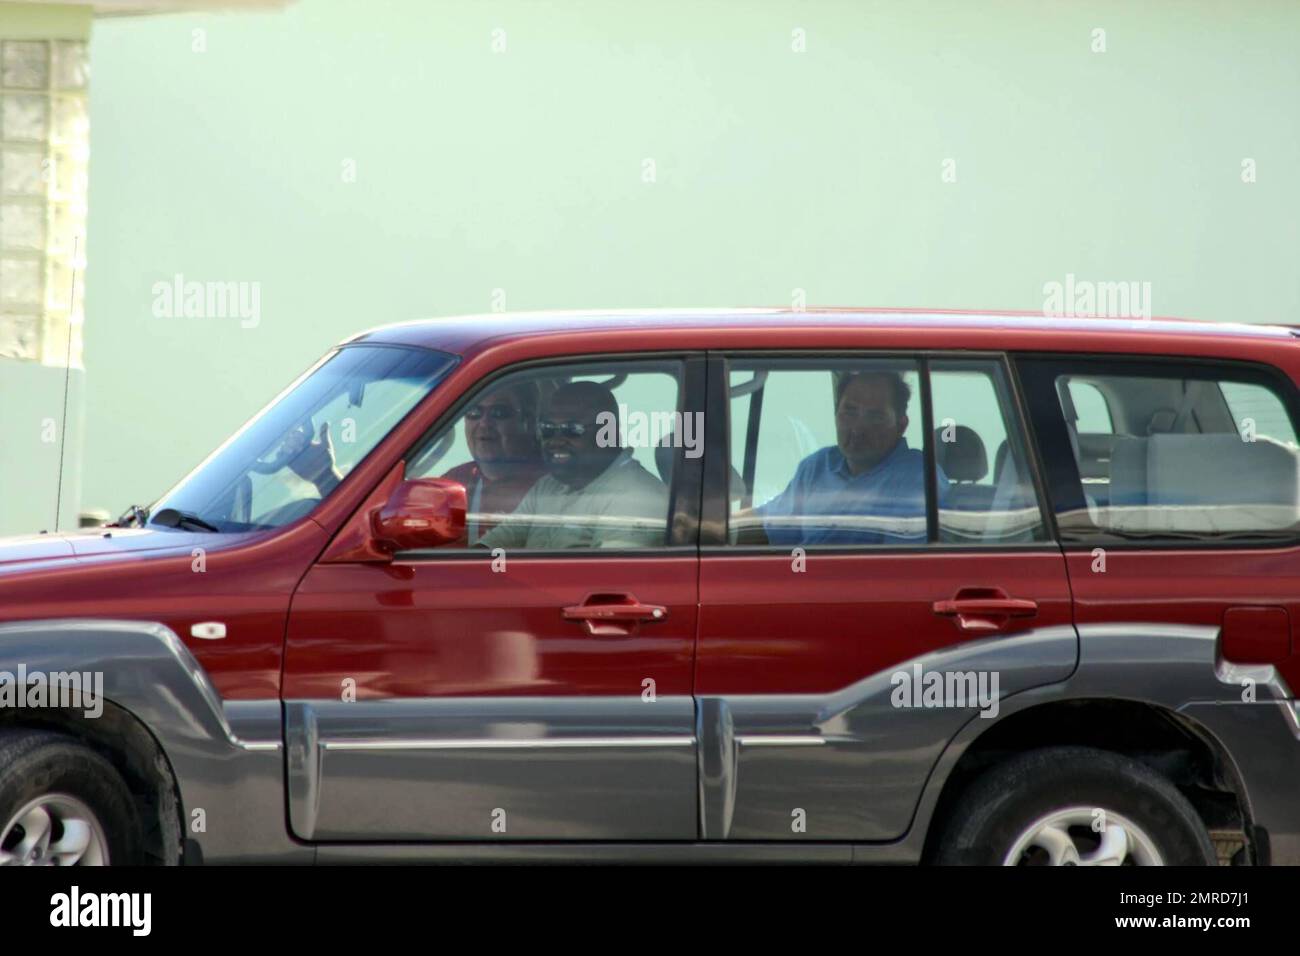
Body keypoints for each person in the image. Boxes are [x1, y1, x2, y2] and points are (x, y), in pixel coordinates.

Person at [755, 370, 944, 545]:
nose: (858, 428)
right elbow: (764, 525)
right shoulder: (817, 466)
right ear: (836, 415)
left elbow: (900, 567)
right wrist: (726, 523)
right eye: (849, 412)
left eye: (875, 416)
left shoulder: (918, 477)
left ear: (901, 425)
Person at [479, 381, 669, 550]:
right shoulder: (548, 486)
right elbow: (492, 547)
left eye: (572, 429)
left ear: (608, 434)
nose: (555, 441)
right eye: (547, 429)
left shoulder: (636, 500)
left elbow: (610, 583)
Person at [440, 381, 546, 542]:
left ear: (528, 421)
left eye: (499, 412)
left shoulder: (553, 486)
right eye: (474, 411)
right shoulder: (454, 482)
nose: (484, 423)